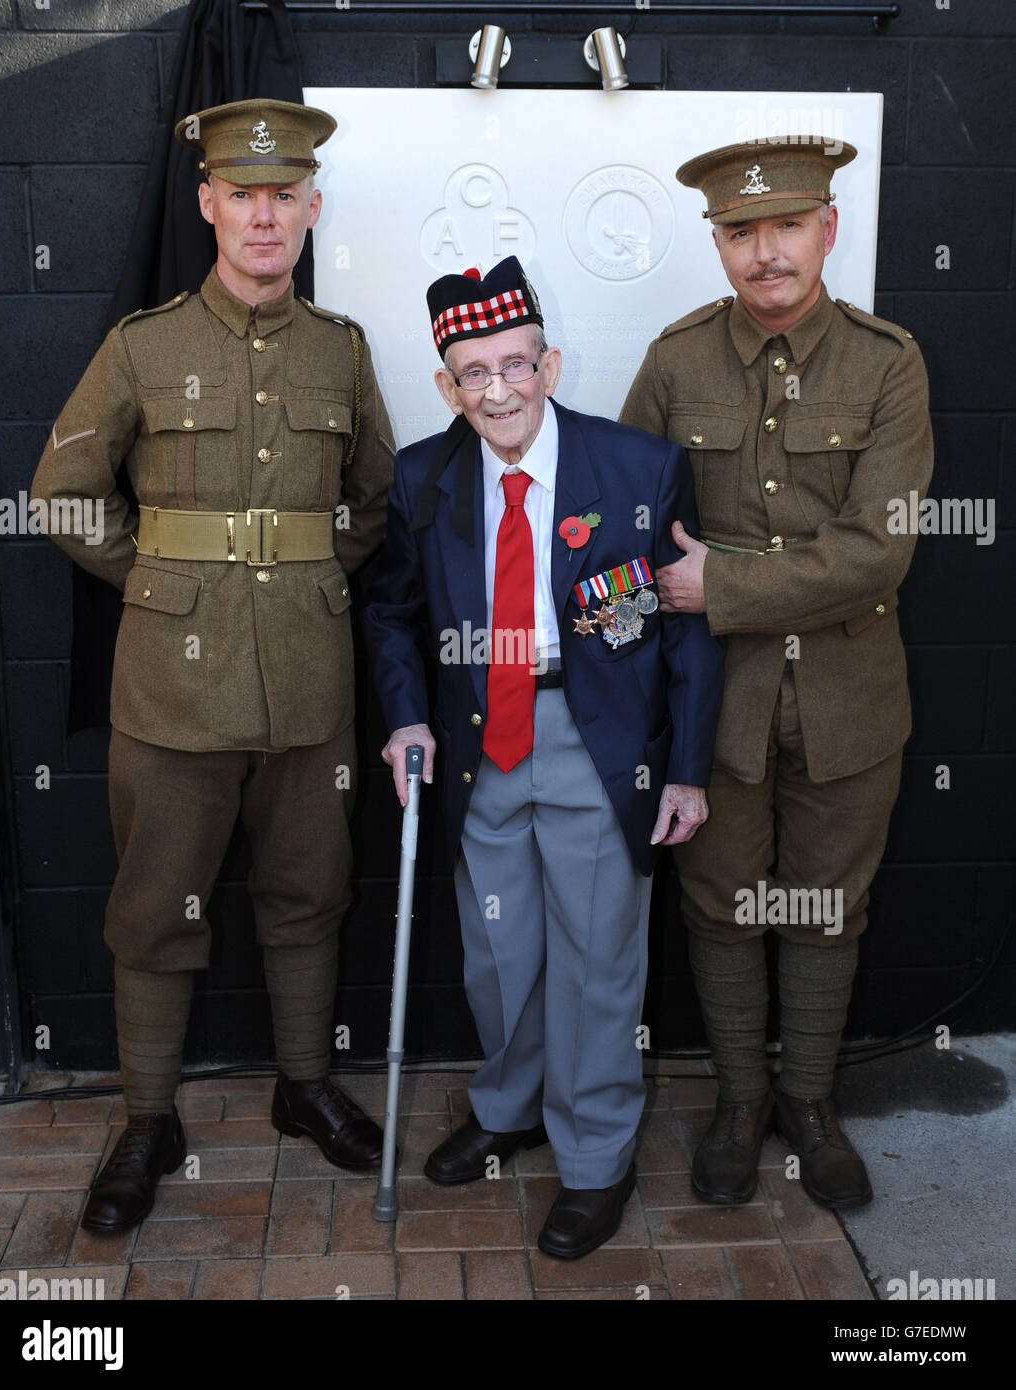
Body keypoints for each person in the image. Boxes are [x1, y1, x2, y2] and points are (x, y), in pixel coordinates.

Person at [31, 98, 396, 1233]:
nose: (264, 215)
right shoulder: (145, 346)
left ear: (311, 208)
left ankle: (305, 1084)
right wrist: (160, 578)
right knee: (151, 908)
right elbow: (62, 492)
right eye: (243, 194)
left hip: (309, 683)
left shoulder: (341, 348)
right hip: (170, 689)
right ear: (208, 205)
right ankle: (148, 1119)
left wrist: (306, 575)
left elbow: (375, 494)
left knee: (309, 893)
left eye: (285, 194)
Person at [364, 257, 723, 1259]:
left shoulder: (636, 467)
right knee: (498, 955)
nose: (499, 390)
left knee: (598, 964)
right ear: (447, 386)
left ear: (550, 363)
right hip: (480, 743)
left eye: (515, 364)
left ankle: (597, 1153)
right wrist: (404, 719)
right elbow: (392, 611)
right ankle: (512, 1105)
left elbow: (683, 622)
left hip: (593, 743)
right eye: (473, 372)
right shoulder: (422, 477)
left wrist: (686, 768)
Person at [619, 136, 933, 1210]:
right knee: (722, 905)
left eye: (786, 226)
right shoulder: (674, 362)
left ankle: (810, 1100)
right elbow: (628, 532)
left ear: (828, 229)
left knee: (825, 909)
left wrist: (726, 583)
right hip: (717, 704)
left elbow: (880, 548)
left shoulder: (889, 362)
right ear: (718, 244)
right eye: (741, 233)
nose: (766, 254)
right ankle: (739, 1102)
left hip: (850, 697)